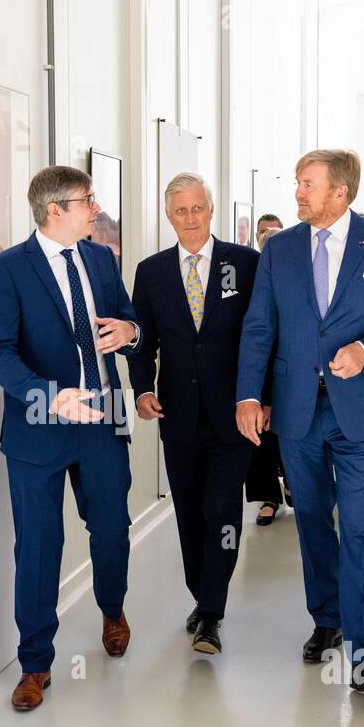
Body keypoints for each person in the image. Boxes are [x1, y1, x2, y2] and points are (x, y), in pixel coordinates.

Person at [236, 149, 364, 695]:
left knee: (362, 527)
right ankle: (327, 620)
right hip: (297, 411)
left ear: (339, 192)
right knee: (315, 520)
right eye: (297, 182)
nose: (297, 192)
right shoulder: (280, 250)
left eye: (306, 184)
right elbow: (258, 326)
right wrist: (249, 394)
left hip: (361, 409)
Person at [0, 164, 143, 711]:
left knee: (112, 530)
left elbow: (126, 318)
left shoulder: (100, 258)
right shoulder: (8, 269)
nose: (95, 208)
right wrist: (48, 395)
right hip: (38, 428)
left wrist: (131, 331)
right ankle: (35, 663)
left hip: (102, 417)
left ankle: (112, 608)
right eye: (87, 200)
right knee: (40, 546)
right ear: (56, 210)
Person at [129, 173, 259, 656]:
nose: (190, 218)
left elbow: (261, 336)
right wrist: (142, 390)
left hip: (234, 415)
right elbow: (142, 340)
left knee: (220, 510)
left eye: (197, 208)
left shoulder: (245, 264)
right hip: (177, 414)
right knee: (188, 514)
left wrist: (260, 398)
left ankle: (211, 612)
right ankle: (201, 595)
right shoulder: (152, 271)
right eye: (180, 210)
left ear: (210, 210)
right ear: (169, 215)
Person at [246, 214, 289, 526]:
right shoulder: (249, 280)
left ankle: (293, 485)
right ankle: (268, 498)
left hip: (289, 373)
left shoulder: (296, 281)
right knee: (259, 436)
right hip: (258, 373)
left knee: (288, 432)